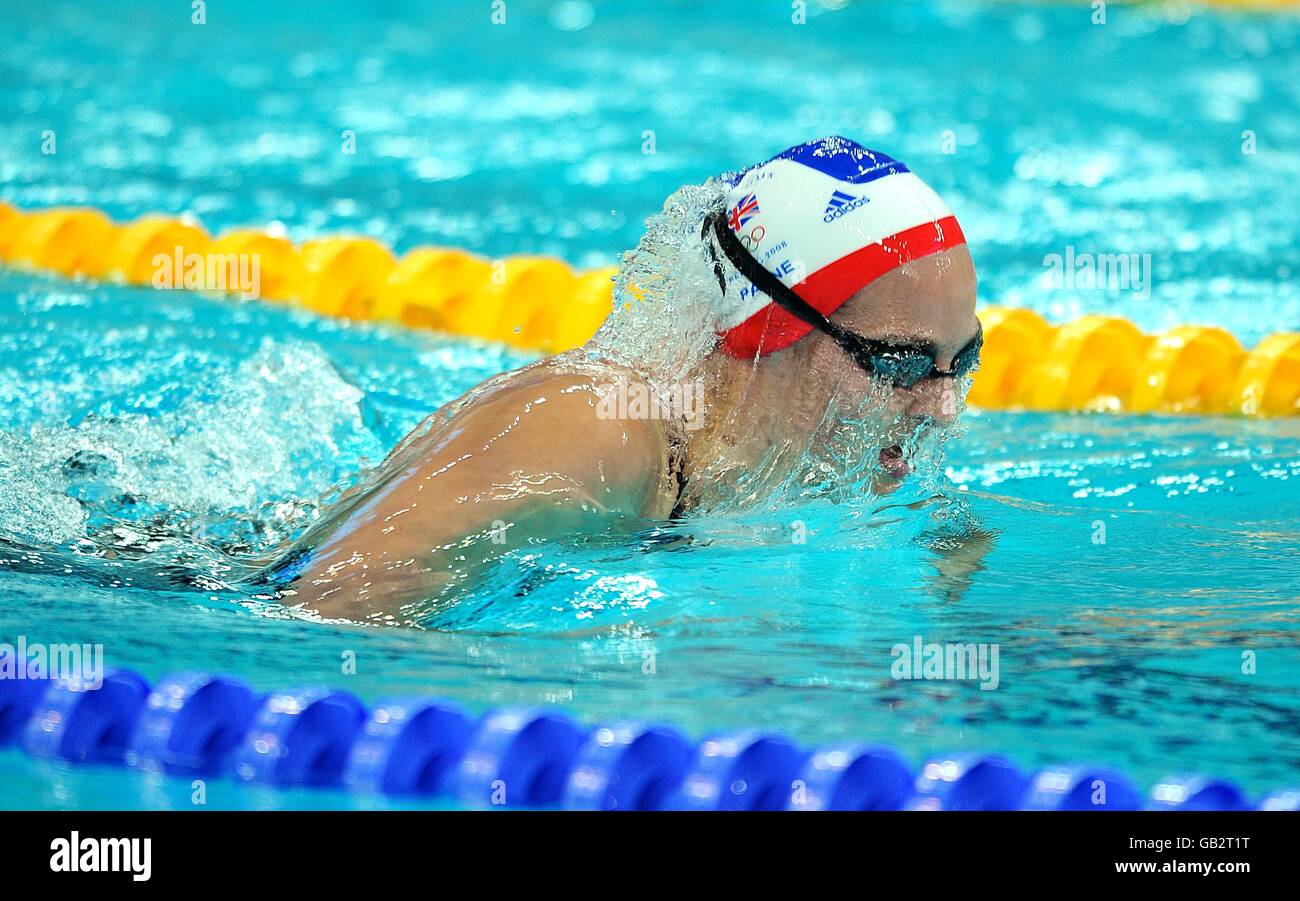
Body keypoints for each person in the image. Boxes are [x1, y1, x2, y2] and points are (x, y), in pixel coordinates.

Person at [263, 136, 980, 622]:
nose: (943, 407)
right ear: (764, 326)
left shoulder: (890, 508)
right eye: (901, 363)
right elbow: (319, 619)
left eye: (963, 360)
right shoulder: (587, 431)